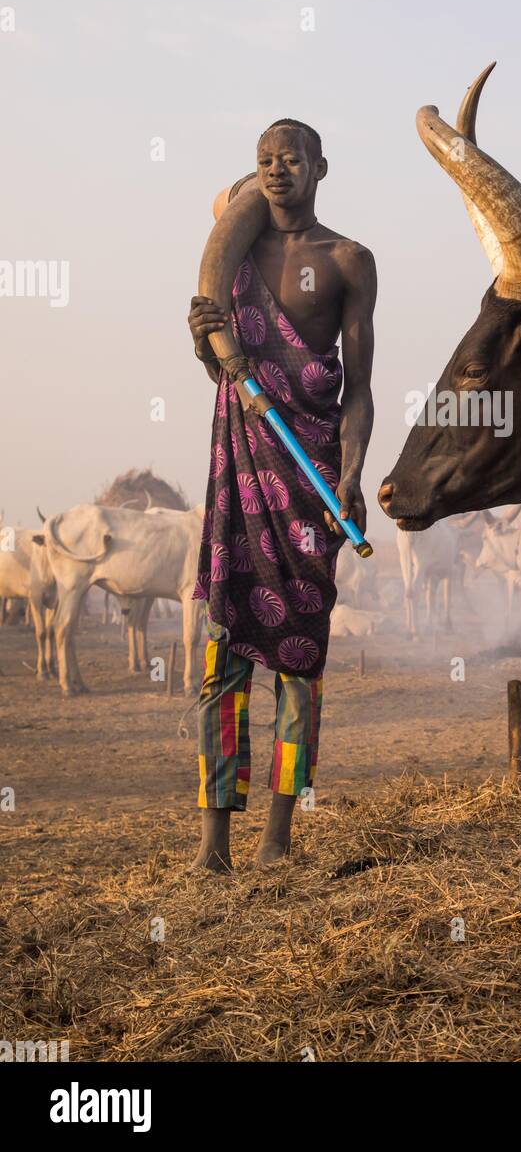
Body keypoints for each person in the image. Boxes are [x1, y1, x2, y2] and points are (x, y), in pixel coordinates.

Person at [187, 119, 376, 869]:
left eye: (290, 159)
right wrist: (205, 339)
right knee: (223, 653)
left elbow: (358, 388)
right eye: (264, 160)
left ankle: (276, 839)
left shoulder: (348, 261)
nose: (275, 171)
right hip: (240, 466)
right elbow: (219, 373)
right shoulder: (235, 259)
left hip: (310, 473)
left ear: (320, 168)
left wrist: (351, 475)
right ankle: (213, 848)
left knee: (299, 659)